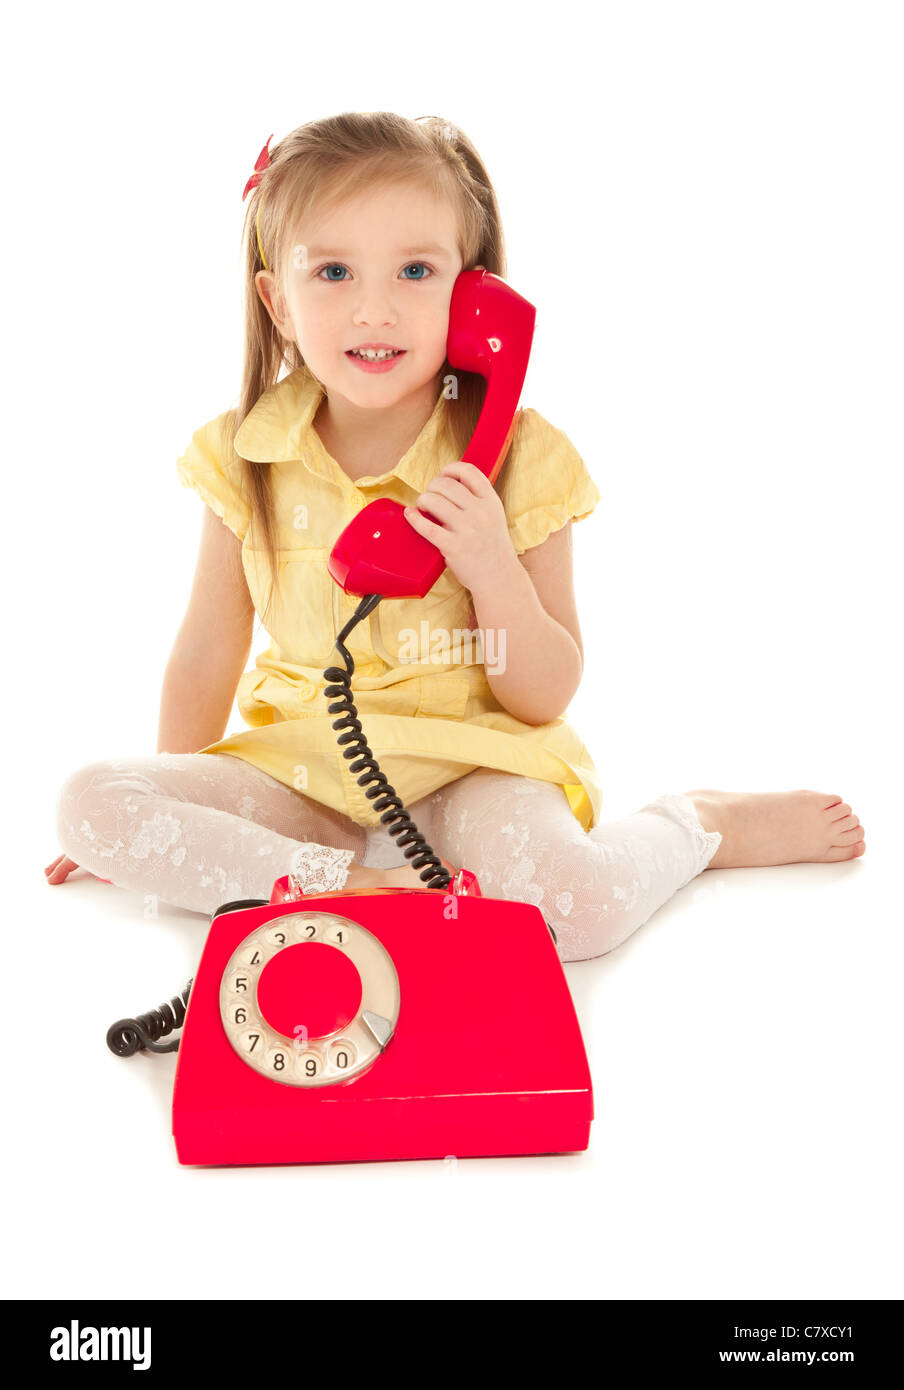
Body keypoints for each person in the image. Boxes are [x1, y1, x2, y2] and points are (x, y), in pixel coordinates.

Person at [45, 113, 865, 964]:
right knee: (87, 799)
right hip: (304, 769)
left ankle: (698, 824)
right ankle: (353, 884)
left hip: (473, 768)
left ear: (474, 299)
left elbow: (546, 693)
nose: (375, 307)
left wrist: (489, 564)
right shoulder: (242, 453)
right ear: (276, 301)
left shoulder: (519, 458)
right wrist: (172, 820)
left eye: (415, 270)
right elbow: (206, 653)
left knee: (577, 914)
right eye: (332, 271)